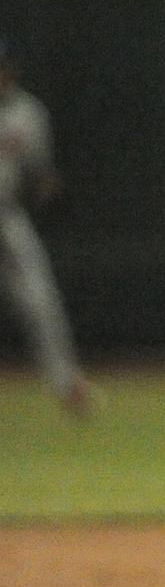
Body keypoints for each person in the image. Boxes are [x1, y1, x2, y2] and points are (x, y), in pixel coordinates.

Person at [0, 42, 96, 418]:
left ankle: (66, 384)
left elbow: (39, 171)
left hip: (7, 217)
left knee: (41, 301)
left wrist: (46, 185)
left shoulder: (28, 112)